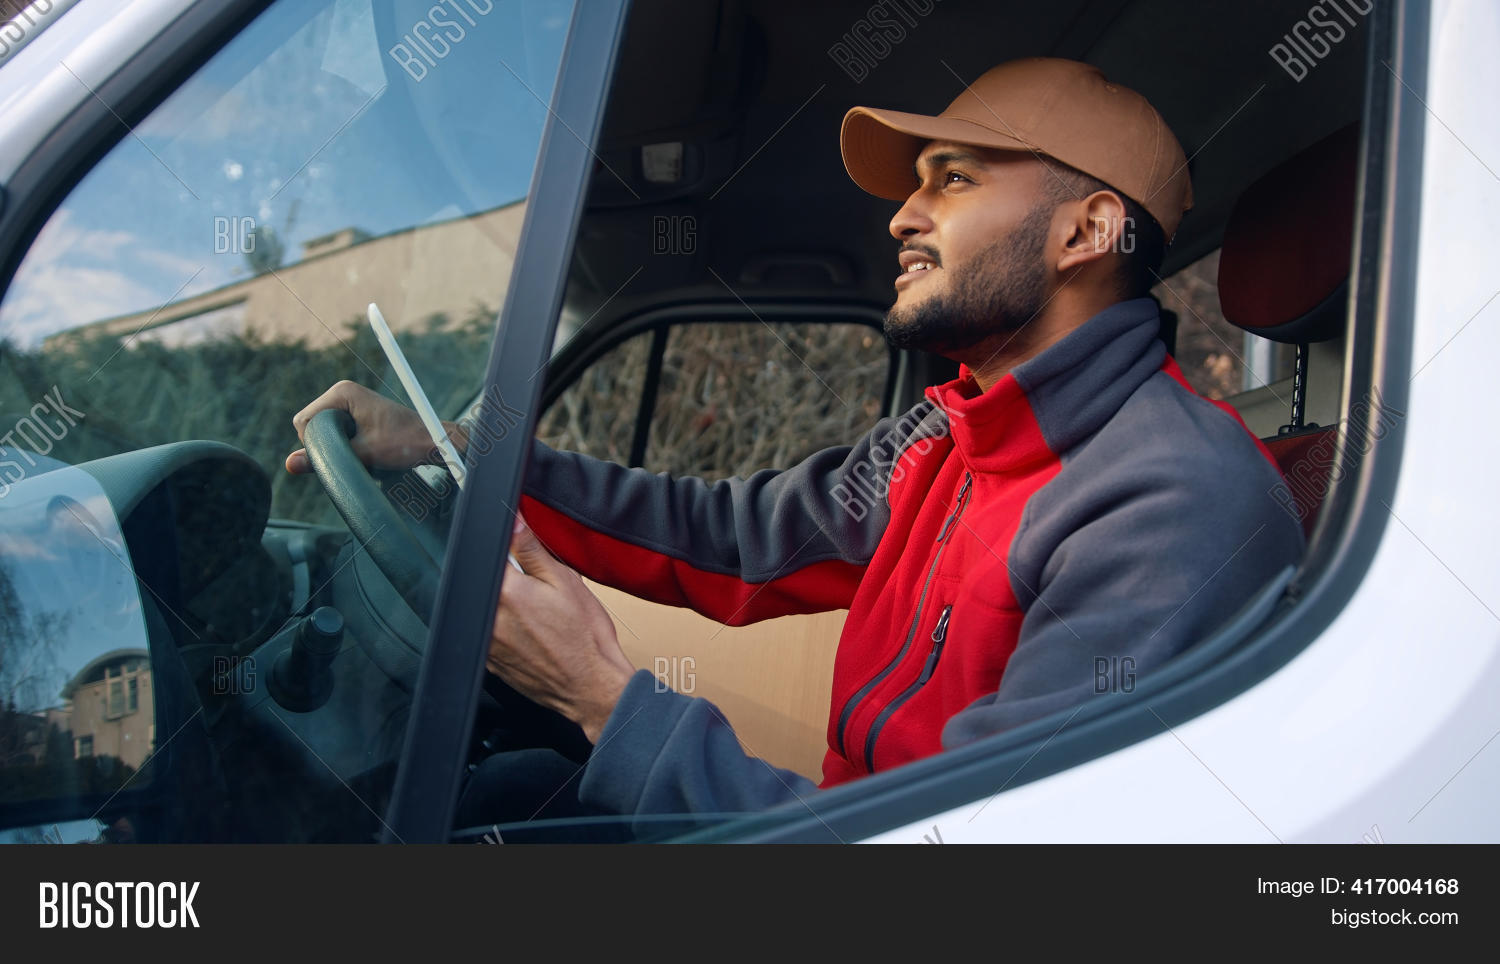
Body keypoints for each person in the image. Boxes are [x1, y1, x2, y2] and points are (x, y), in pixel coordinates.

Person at [287, 58, 1303, 825]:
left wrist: (602, 697)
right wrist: (455, 446)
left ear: (1086, 233)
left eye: (952, 180)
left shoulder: (1174, 498)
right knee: (517, 793)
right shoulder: (950, 430)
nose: (902, 214)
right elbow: (729, 537)